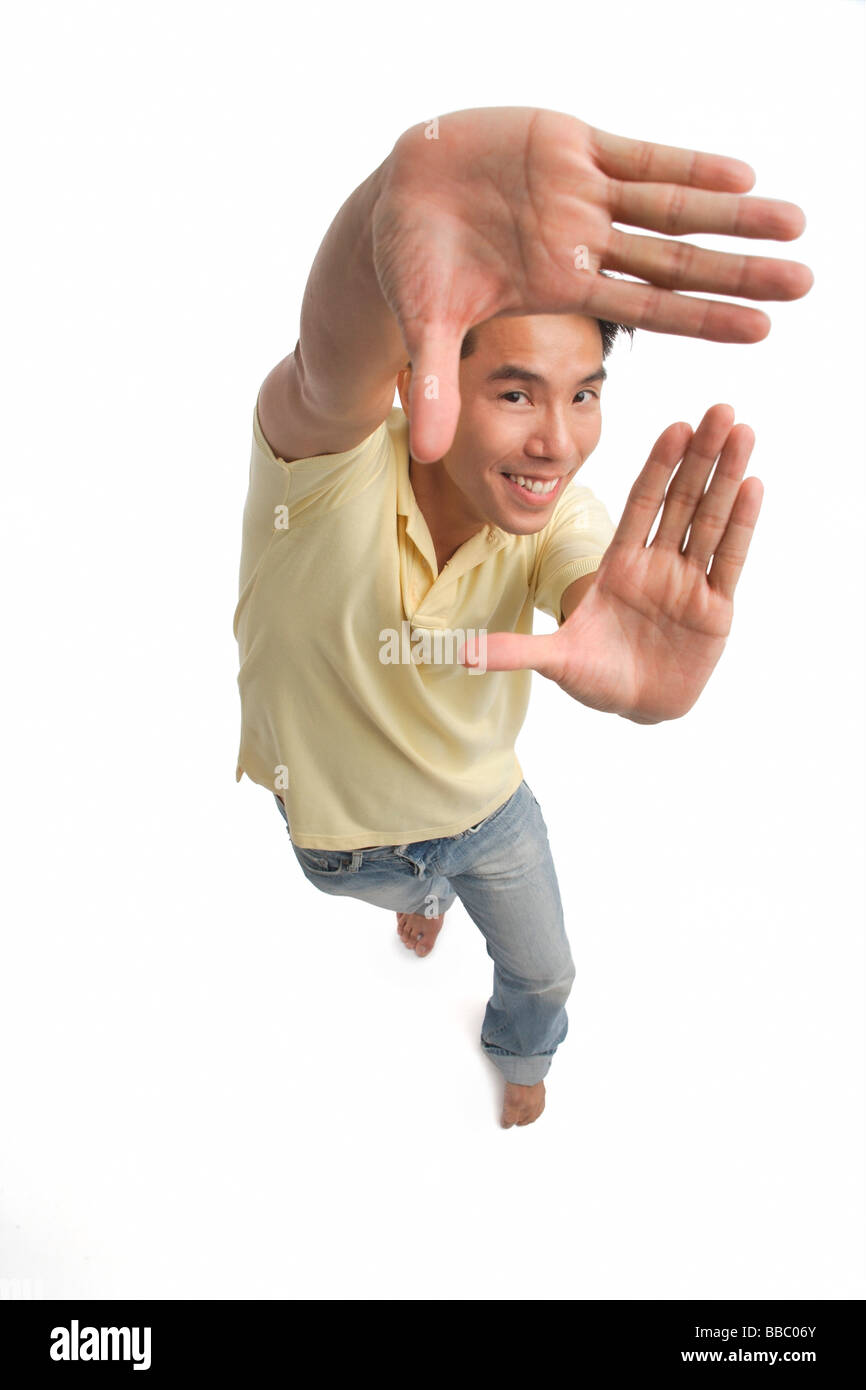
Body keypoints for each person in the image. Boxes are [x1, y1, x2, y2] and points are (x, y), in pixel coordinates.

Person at [234, 107, 812, 1128]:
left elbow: (590, 577)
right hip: (337, 840)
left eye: (582, 395)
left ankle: (521, 1054)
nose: (557, 442)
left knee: (545, 969)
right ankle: (421, 906)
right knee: (407, 896)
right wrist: (389, 202)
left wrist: (614, 627)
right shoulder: (323, 468)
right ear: (427, 382)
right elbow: (327, 362)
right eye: (514, 392)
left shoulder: (557, 518)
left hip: (488, 816)